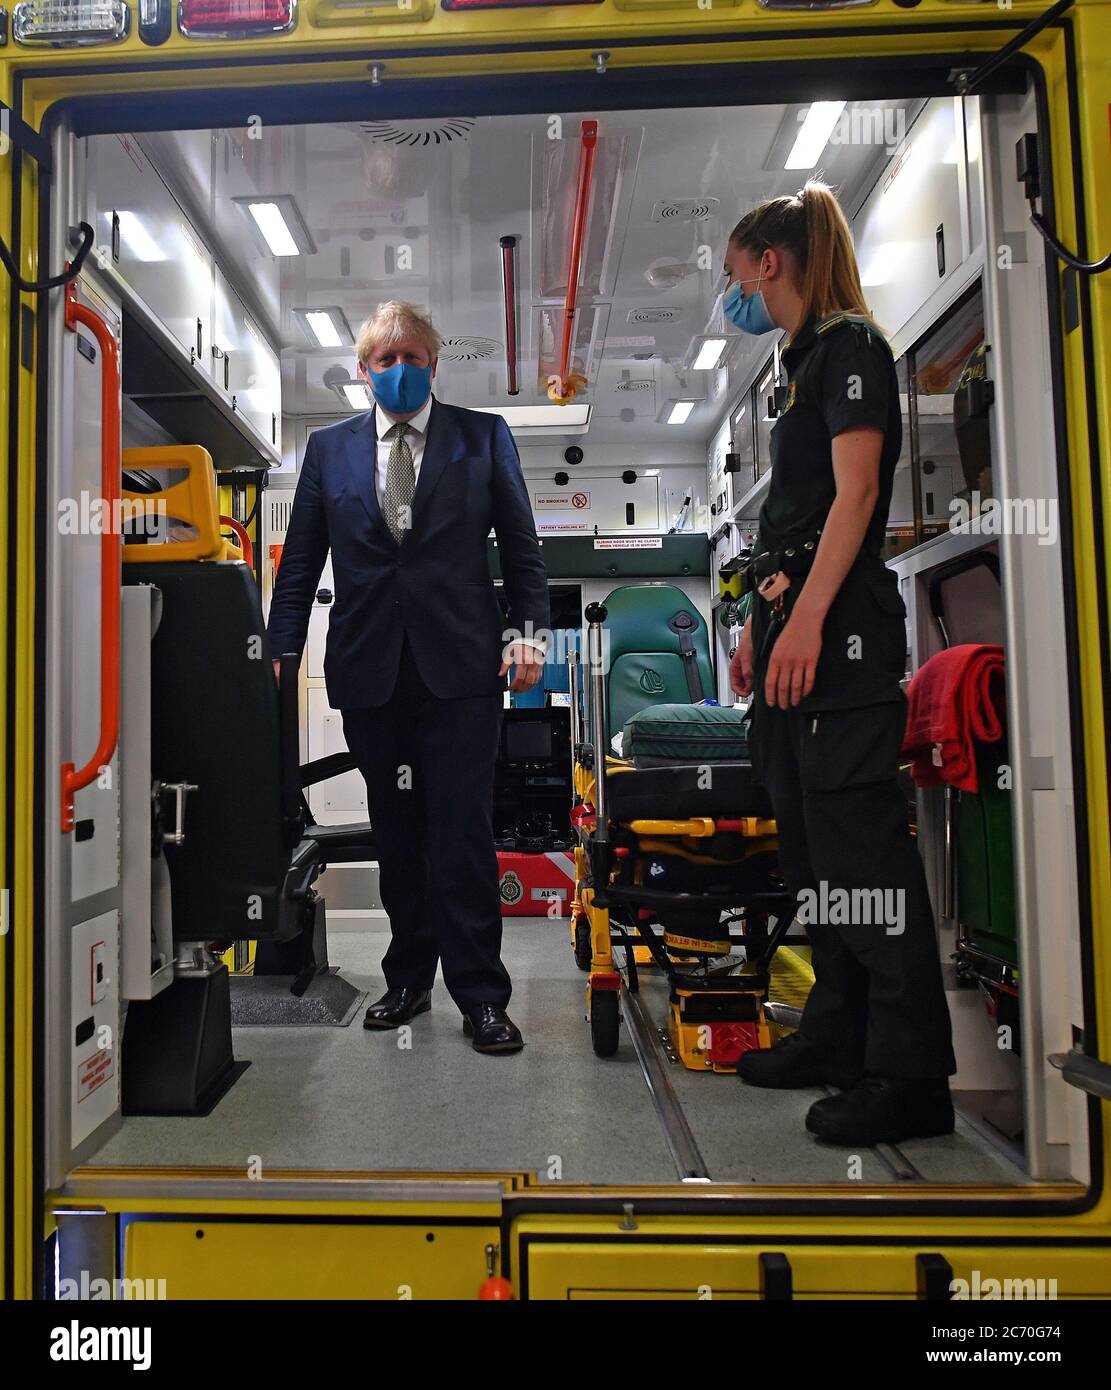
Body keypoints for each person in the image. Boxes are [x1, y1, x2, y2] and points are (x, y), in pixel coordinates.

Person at [724, 183, 956, 1144]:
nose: (733, 294)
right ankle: (837, 1037)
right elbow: (792, 523)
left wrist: (811, 619)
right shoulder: (802, 362)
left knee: (864, 859)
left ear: (768, 263)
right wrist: (757, 624)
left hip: (841, 650)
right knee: (817, 859)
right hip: (793, 645)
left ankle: (909, 1081)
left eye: (734, 276)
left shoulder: (851, 347)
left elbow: (856, 497)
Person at [267, 301, 550, 1054]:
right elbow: (299, 563)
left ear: (434, 363)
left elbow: (521, 548)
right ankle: (406, 981)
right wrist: (279, 647)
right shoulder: (328, 451)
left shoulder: (481, 436)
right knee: (397, 835)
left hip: (460, 672)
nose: (398, 371)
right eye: (383, 360)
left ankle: (482, 997)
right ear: (362, 372)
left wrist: (528, 635)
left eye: (412, 357)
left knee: (460, 832)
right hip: (370, 671)